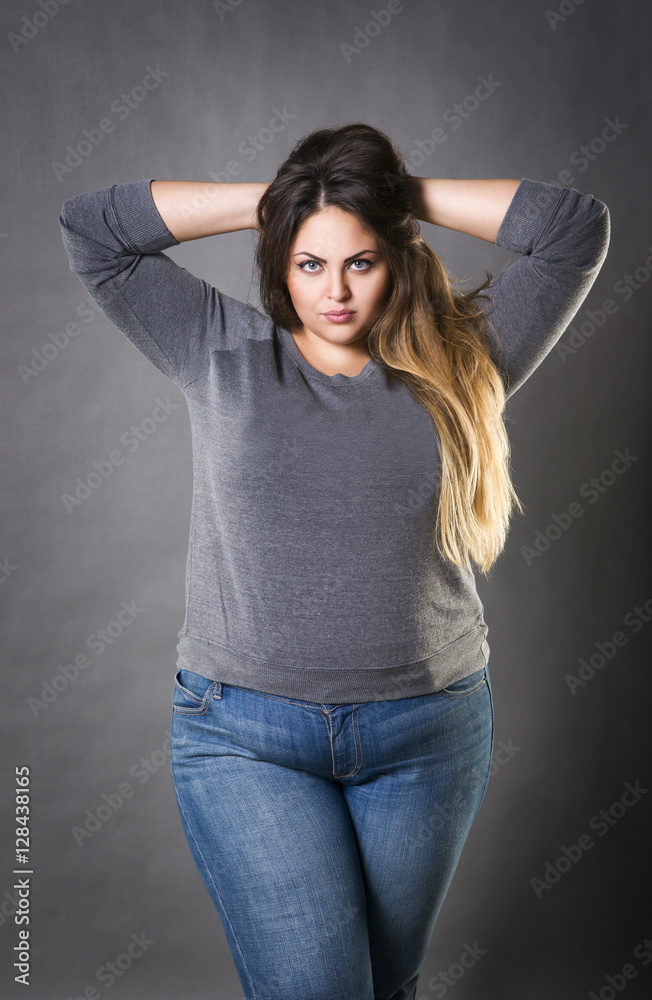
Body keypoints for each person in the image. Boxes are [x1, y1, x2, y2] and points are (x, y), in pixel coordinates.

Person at [59, 122, 611, 1000]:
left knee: (385, 986)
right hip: (245, 739)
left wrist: (383, 193)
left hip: (425, 736)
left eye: (360, 260)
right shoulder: (220, 351)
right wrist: (287, 197)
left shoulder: (462, 357)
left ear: (395, 255)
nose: (335, 290)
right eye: (309, 263)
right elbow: (94, 229)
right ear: (279, 263)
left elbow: (574, 227)